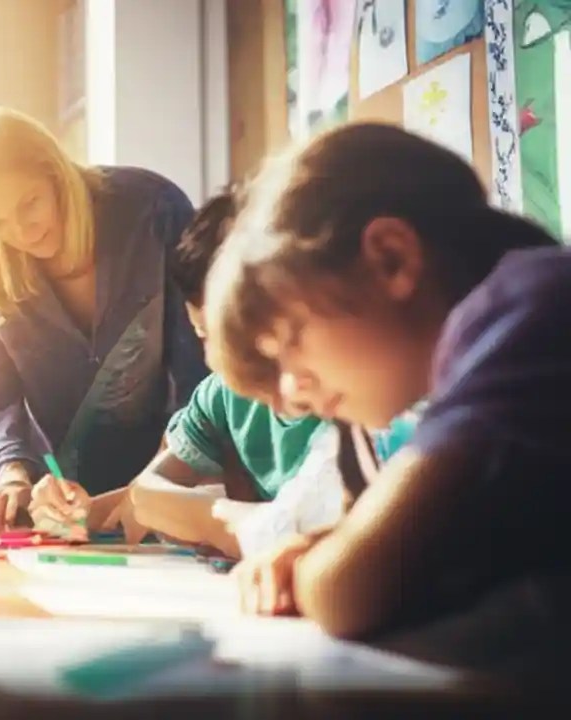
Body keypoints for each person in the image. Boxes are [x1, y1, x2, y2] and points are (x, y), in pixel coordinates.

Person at [204, 123, 566, 639]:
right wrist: (322, 543)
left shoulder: (529, 312)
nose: (290, 394)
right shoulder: (451, 371)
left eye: (291, 341)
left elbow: (347, 590)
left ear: (391, 259)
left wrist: (328, 562)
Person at [27, 191, 409, 558]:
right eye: (206, 336)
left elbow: (319, 536)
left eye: (250, 337)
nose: (222, 361)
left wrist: (212, 519)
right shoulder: (223, 394)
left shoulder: (369, 402)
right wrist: (70, 513)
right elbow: (143, 494)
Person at [0, 107, 207, 530]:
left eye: (29, 203)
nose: (22, 231)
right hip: (68, 505)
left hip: (181, 484)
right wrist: (14, 479)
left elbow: (200, 370)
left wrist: (158, 483)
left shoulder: (152, 210)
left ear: (56, 174)